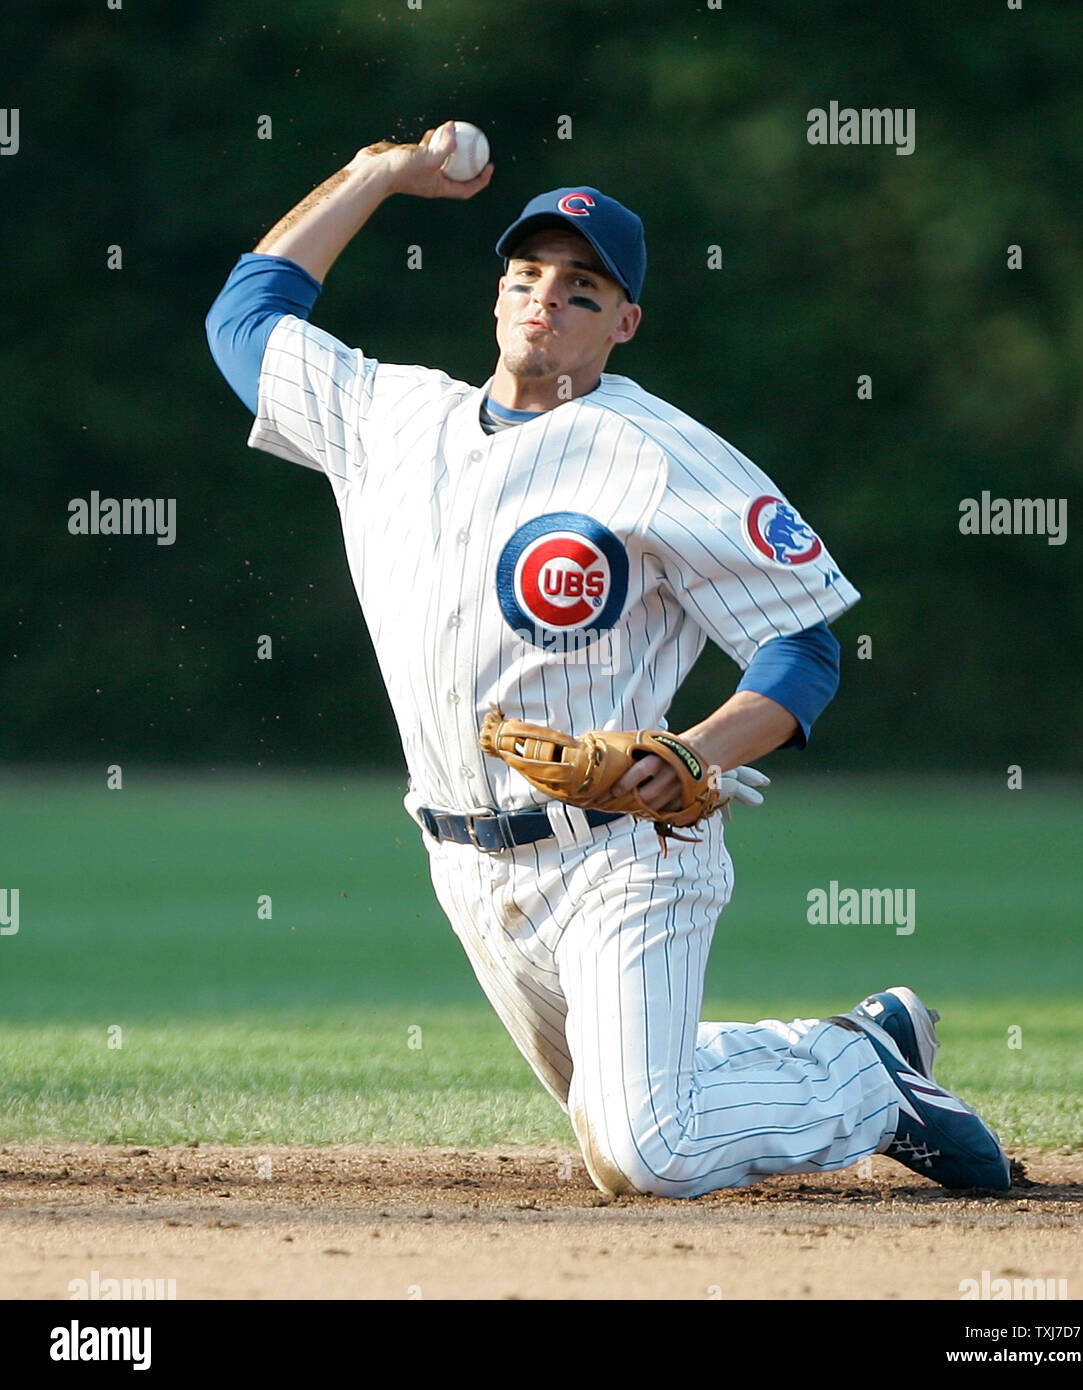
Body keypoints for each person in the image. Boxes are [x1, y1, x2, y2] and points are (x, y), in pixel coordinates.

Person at [206, 122, 1010, 1197]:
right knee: (620, 1107)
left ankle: (864, 1078)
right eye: (529, 273)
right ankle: (856, 1037)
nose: (548, 296)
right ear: (497, 296)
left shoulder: (657, 451)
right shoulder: (387, 417)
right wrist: (375, 174)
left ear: (624, 321)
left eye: (584, 288)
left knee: (646, 1149)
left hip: (627, 850)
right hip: (467, 863)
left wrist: (694, 747)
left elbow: (801, 645)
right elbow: (244, 317)